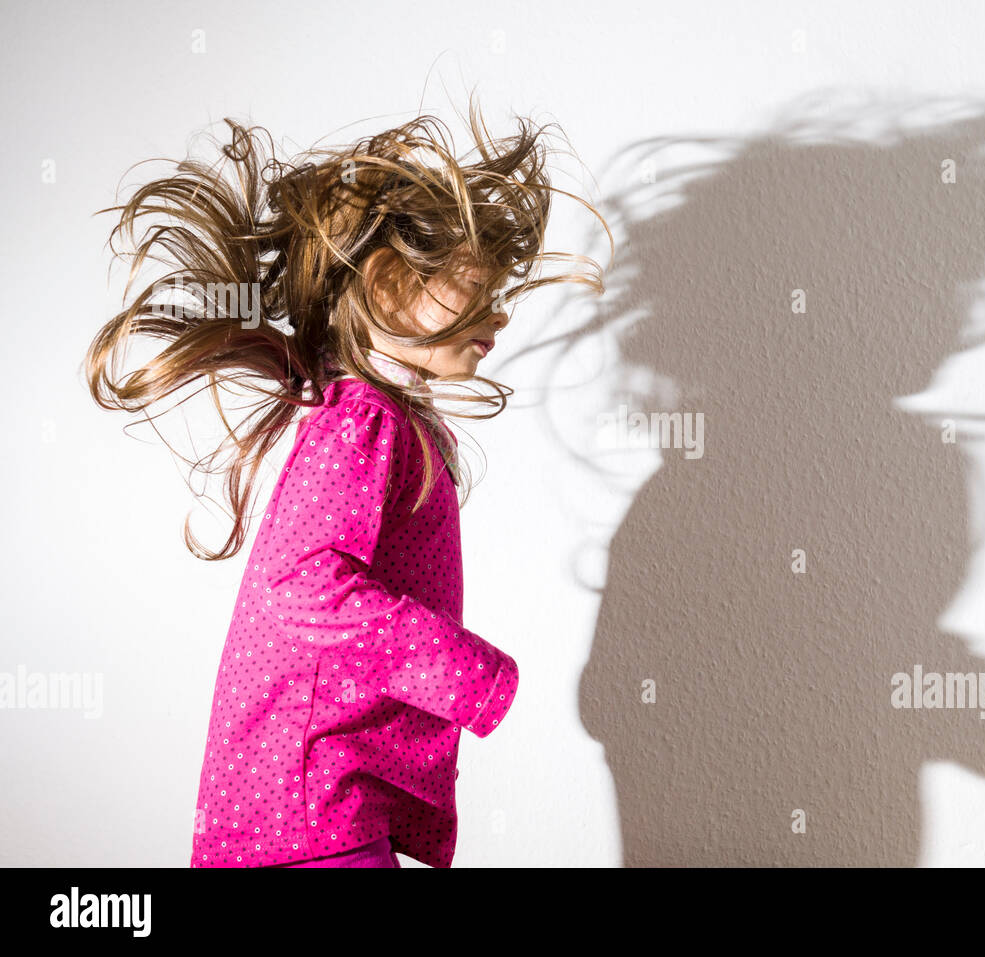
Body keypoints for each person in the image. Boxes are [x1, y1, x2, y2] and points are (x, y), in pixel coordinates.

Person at [82, 98, 608, 867]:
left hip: (319, 795)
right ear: (391, 282)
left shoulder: (381, 417)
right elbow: (305, 584)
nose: (498, 315)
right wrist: (462, 669)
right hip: (302, 802)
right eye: (479, 290)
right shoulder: (361, 421)